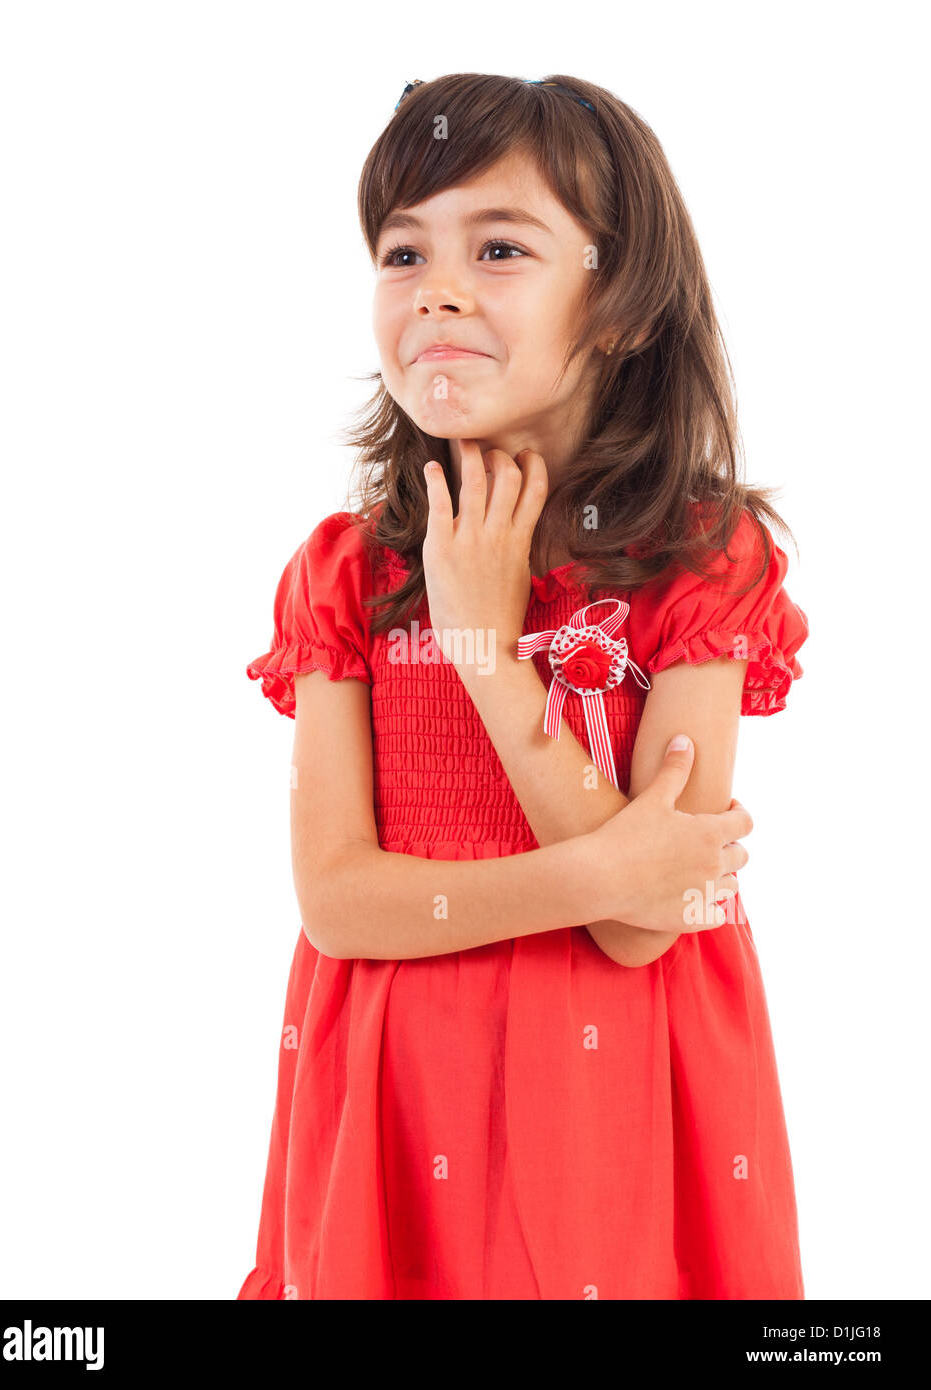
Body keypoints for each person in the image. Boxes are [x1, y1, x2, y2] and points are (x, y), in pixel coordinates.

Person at [237, 73, 809, 1301]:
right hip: (399, 1093)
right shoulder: (341, 575)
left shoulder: (704, 563)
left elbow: (646, 924)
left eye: (499, 247)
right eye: (402, 251)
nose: (435, 287)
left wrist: (488, 648)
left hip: (616, 1108)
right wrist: (601, 868)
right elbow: (338, 901)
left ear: (621, 306)